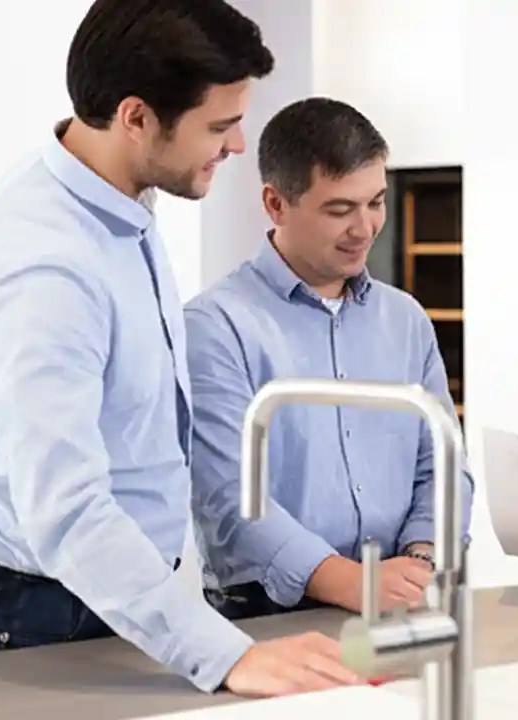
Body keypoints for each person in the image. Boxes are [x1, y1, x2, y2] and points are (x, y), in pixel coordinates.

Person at [0, 0, 359, 697]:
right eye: (220, 126)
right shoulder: (45, 268)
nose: (235, 145)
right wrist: (221, 652)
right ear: (136, 117)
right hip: (44, 620)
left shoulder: (115, 202)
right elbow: (65, 510)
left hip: (126, 603)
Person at [184, 97, 475, 621]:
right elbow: (229, 497)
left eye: (376, 203)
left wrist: (421, 558)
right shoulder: (215, 326)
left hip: (398, 597)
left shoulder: (405, 319)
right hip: (268, 613)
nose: (364, 228)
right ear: (275, 204)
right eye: (340, 209)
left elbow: (443, 464)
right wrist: (351, 582)